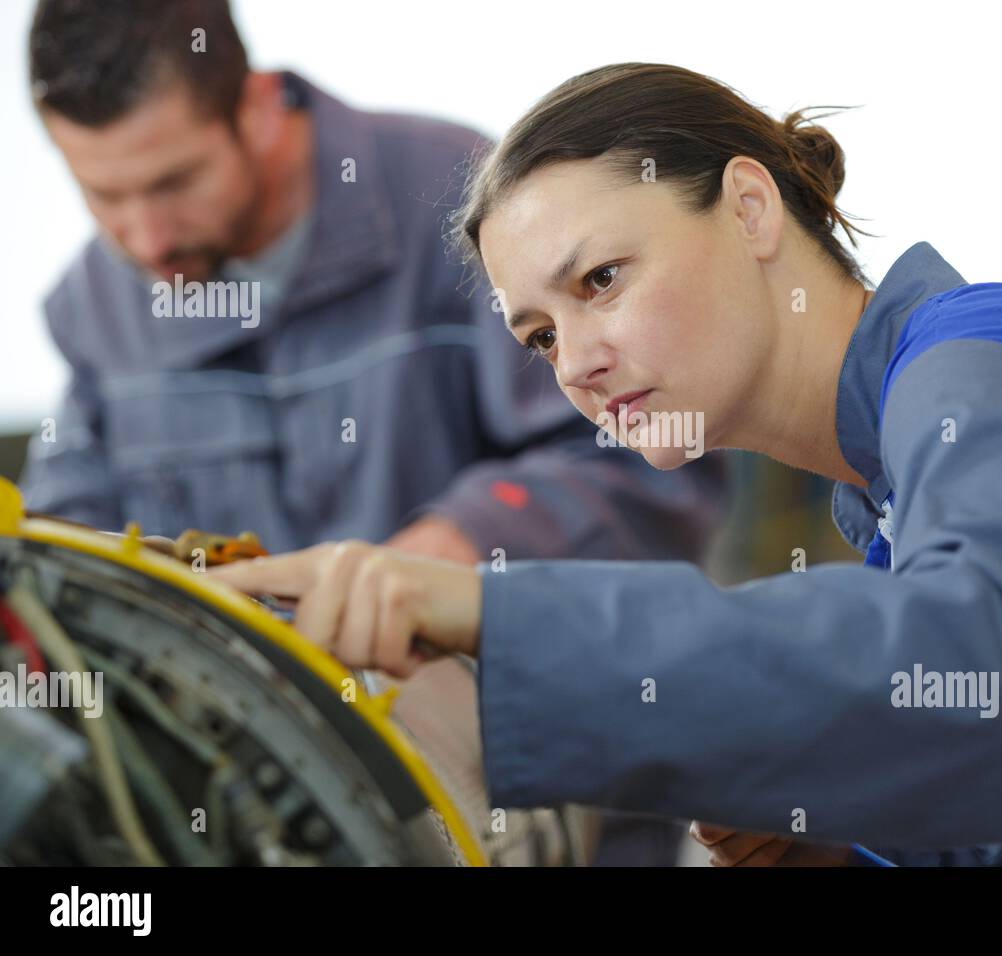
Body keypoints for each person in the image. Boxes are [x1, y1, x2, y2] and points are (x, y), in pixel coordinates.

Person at [213, 62, 1002, 866]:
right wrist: (847, 844)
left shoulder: (981, 370)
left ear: (748, 207)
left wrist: (497, 616)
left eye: (600, 279)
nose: (578, 363)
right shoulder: (896, 496)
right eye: (539, 336)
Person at [22, 4, 729, 865]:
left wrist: (445, 557)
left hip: (547, 821)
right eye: (104, 194)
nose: (146, 236)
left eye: (173, 182)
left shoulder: (467, 208)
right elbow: (64, 560)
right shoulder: (95, 309)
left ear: (254, 106)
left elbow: (648, 462)